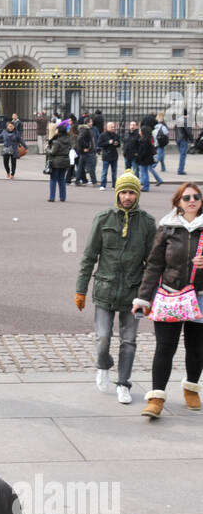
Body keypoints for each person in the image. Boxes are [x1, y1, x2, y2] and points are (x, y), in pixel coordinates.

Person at [74, 172, 156, 405]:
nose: (127, 197)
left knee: (129, 341)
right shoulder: (103, 219)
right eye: (124, 192)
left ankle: (123, 383)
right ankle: (103, 364)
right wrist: (81, 289)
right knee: (102, 338)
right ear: (117, 193)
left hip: (134, 292)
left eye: (132, 192)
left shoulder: (148, 223)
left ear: (137, 195)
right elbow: (89, 256)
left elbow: (153, 263)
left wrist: (148, 296)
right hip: (105, 288)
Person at [134, 181, 203, 418]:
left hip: (200, 298)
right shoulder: (167, 228)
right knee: (165, 347)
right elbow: (154, 264)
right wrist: (143, 298)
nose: (192, 200)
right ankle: (156, 397)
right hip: (170, 296)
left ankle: (191, 387)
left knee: (197, 348)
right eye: (187, 197)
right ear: (177, 202)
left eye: (196, 196)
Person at [46, 120, 73, 202]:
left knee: (53, 179)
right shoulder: (69, 140)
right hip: (65, 160)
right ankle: (62, 197)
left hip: (56, 161)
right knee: (62, 179)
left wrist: (47, 149)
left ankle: (52, 197)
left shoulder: (57, 141)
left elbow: (53, 152)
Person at [134, 123, 162, 192]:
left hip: (144, 159)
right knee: (145, 172)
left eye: (140, 131)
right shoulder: (147, 139)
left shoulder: (144, 140)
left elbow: (143, 151)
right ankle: (145, 184)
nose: (139, 132)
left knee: (144, 172)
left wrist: (138, 156)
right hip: (147, 159)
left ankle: (146, 186)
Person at [97, 121, 121, 189]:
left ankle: (114, 185)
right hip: (106, 155)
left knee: (114, 172)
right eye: (111, 127)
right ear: (107, 127)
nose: (113, 128)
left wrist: (117, 143)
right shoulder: (103, 135)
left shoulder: (116, 135)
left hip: (114, 155)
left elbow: (119, 144)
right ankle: (102, 185)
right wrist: (108, 142)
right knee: (104, 172)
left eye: (113, 127)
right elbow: (99, 144)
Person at [74, 118, 95, 185]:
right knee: (91, 166)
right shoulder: (85, 129)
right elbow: (80, 139)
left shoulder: (84, 129)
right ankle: (94, 181)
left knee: (80, 167)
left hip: (84, 151)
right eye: (91, 122)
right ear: (87, 123)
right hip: (86, 151)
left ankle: (77, 181)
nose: (92, 123)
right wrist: (86, 147)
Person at [176, 113, 192, 177]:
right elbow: (188, 131)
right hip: (183, 139)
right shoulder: (186, 121)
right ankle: (180, 170)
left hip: (178, 139)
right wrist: (191, 139)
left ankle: (180, 169)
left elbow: (176, 130)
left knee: (181, 155)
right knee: (183, 155)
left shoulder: (179, 120)